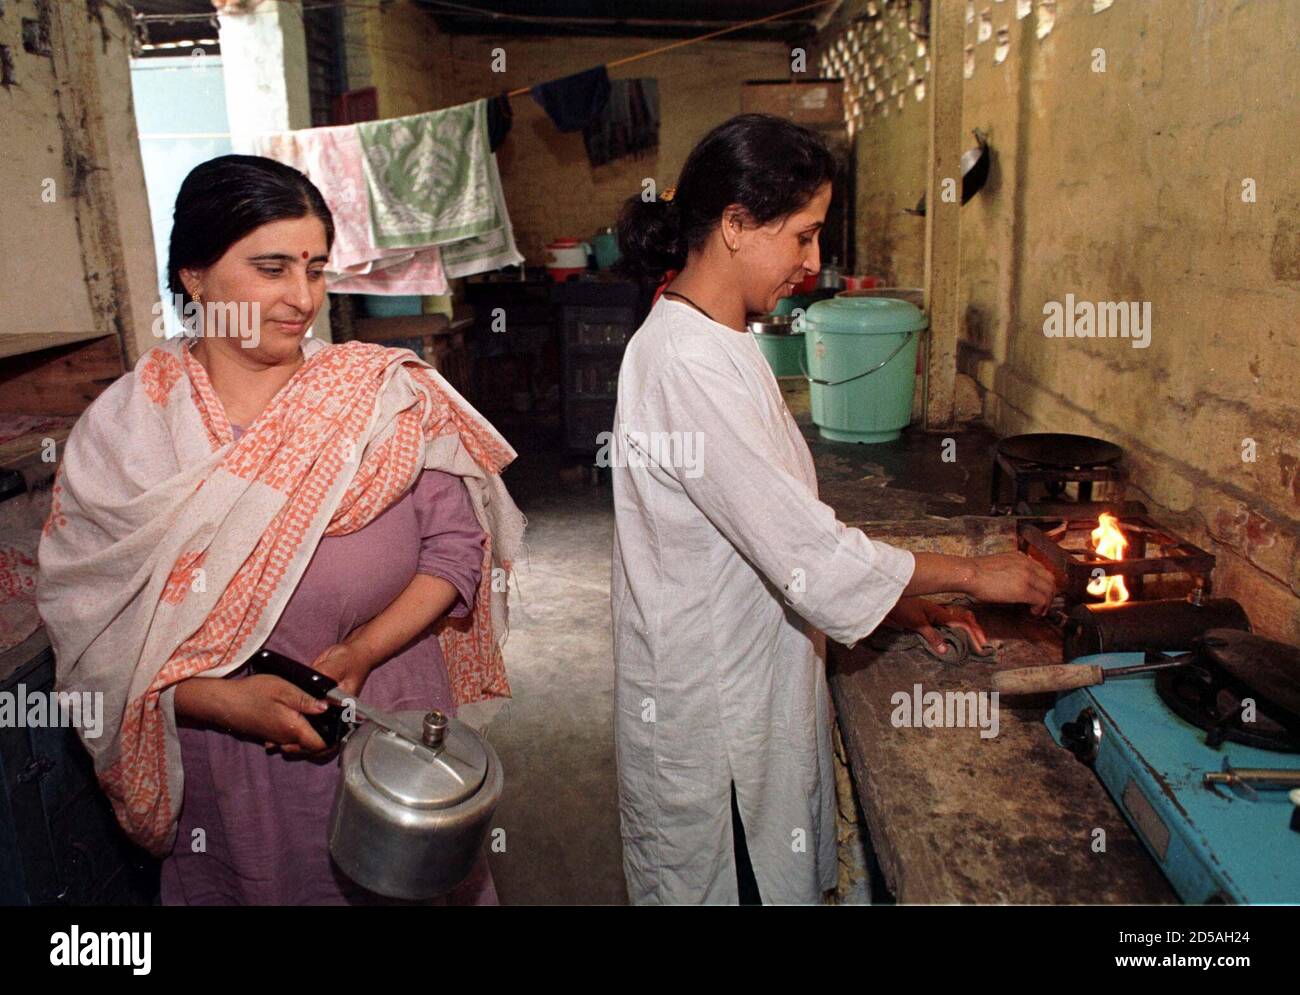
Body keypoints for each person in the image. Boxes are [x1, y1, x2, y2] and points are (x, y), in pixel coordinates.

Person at [36, 155, 525, 905]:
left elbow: (458, 550)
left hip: (393, 740)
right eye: (271, 268)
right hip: (235, 782)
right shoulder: (129, 435)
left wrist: (362, 651)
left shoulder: (380, 399)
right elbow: (99, 642)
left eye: (316, 269)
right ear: (195, 276)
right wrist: (220, 700)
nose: (302, 298)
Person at [610, 114, 1056, 905]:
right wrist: (974, 574)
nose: (813, 264)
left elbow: (774, 529)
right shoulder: (685, 363)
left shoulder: (721, 337)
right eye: (804, 237)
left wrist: (904, 603)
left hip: (752, 693)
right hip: (721, 740)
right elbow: (806, 554)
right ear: (738, 225)